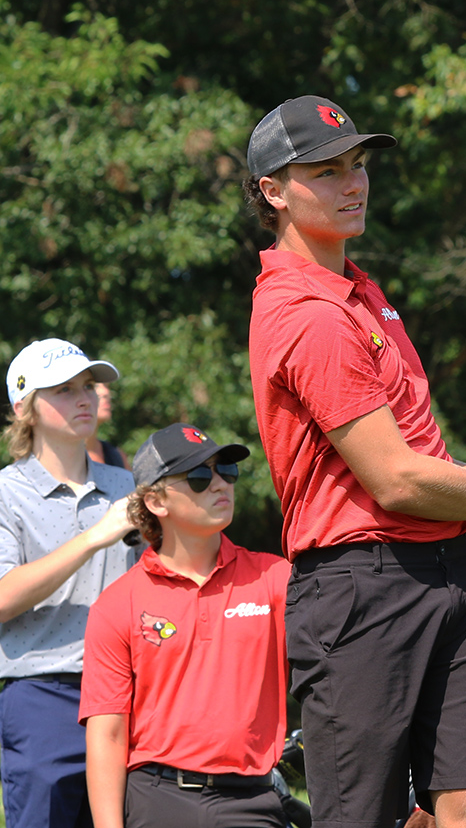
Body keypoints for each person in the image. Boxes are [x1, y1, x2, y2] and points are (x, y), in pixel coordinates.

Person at [241, 94, 466, 828]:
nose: (354, 183)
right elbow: (397, 478)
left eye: (358, 165)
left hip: (453, 571)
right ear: (273, 192)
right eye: (326, 171)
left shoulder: (362, 292)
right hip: (359, 591)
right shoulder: (307, 313)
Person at [79, 422, 290, 828]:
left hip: (255, 800)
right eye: (198, 476)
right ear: (156, 501)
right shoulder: (116, 604)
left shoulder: (275, 577)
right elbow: (107, 736)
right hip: (157, 800)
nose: (220, 485)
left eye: (226, 472)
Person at [0, 339, 138, 828]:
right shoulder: (4, 493)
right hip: (42, 693)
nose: (84, 398)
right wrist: (94, 538)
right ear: (24, 408)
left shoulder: (127, 486)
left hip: (130, 694)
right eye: (62, 389)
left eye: (87, 385)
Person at [86, 383, 128, 469]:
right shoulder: (58, 458)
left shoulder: (117, 456)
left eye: (106, 386)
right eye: (92, 386)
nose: (106, 392)